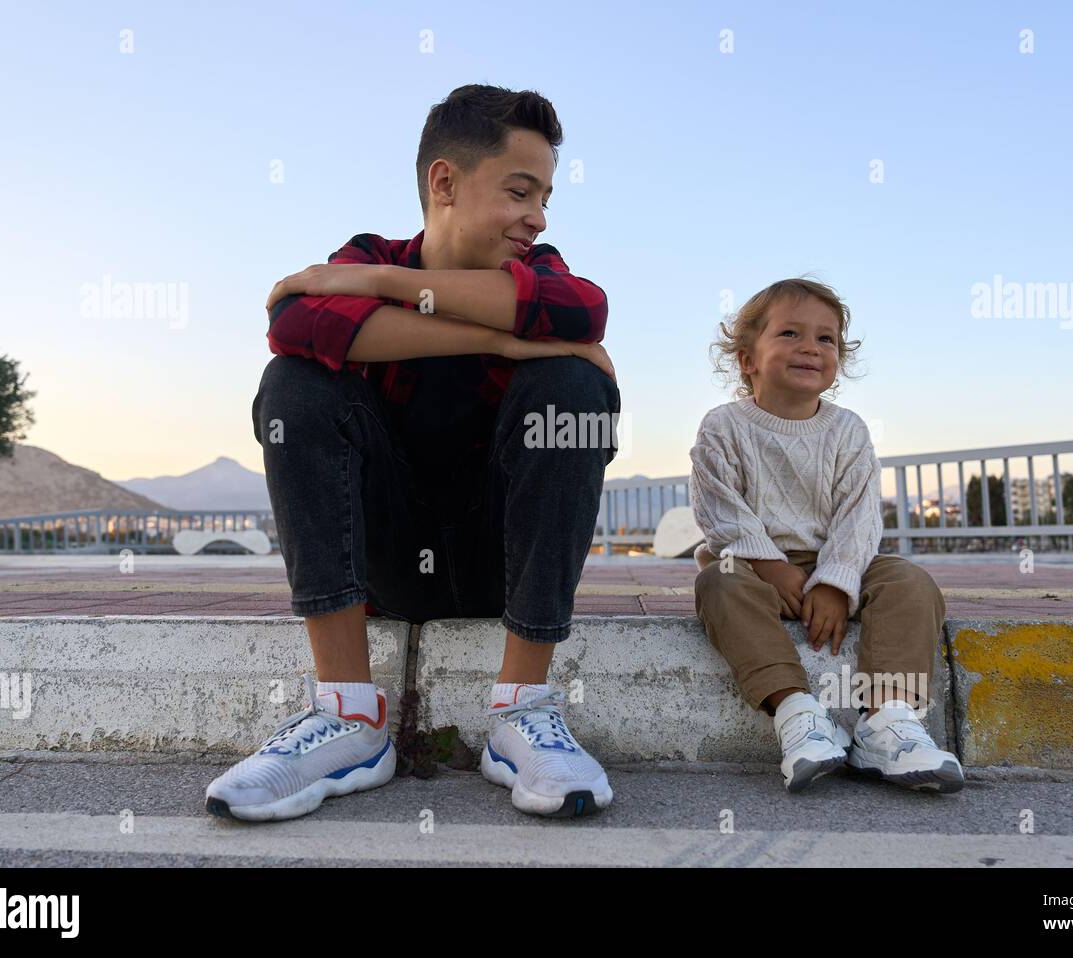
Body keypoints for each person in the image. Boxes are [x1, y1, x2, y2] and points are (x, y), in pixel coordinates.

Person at [205, 84, 619, 821]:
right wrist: (499, 335)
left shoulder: (534, 269)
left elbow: (584, 311)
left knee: (569, 385)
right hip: (388, 563)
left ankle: (521, 710)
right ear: (445, 182)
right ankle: (348, 718)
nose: (539, 216)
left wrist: (384, 290)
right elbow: (295, 320)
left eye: (547, 196)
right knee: (294, 384)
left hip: (501, 563)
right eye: (520, 191)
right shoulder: (369, 251)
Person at [690, 278, 964, 793]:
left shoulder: (848, 430)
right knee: (717, 583)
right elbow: (718, 509)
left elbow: (860, 516)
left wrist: (836, 581)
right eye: (790, 333)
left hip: (838, 560)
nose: (810, 348)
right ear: (747, 358)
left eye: (826, 339)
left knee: (910, 581)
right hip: (753, 565)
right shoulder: (723, 426)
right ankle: (797, 712)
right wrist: (771, 566)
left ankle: (888, 723)